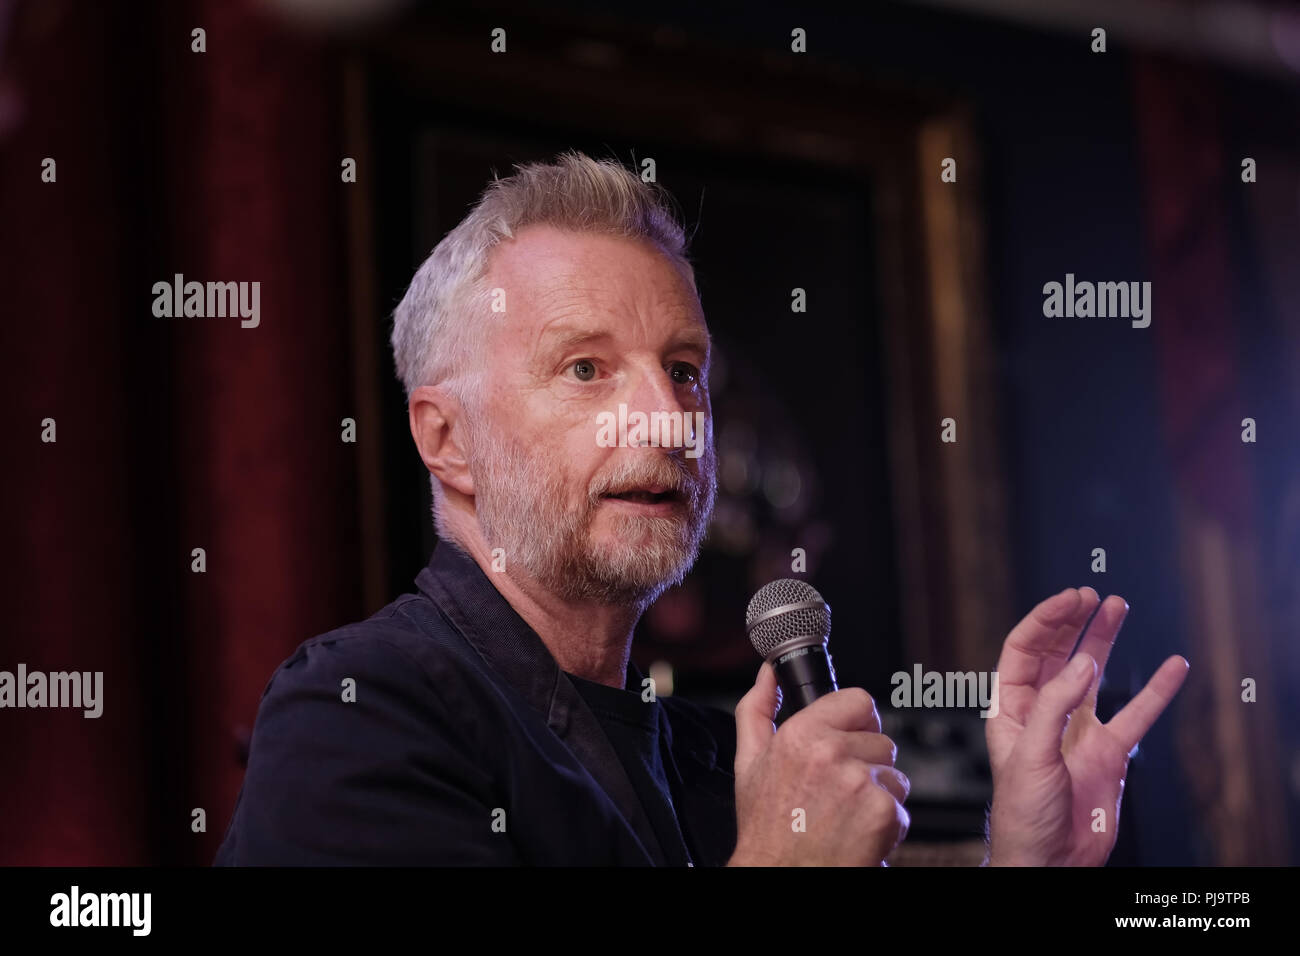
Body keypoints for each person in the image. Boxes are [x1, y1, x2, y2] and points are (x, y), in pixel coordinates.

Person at [213, 151, 1189, 866]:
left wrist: (1030, 861)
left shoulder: (723, 759)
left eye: (684, 371)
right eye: (586, 368)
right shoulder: (356, 713)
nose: (670, 419)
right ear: (445, 439)